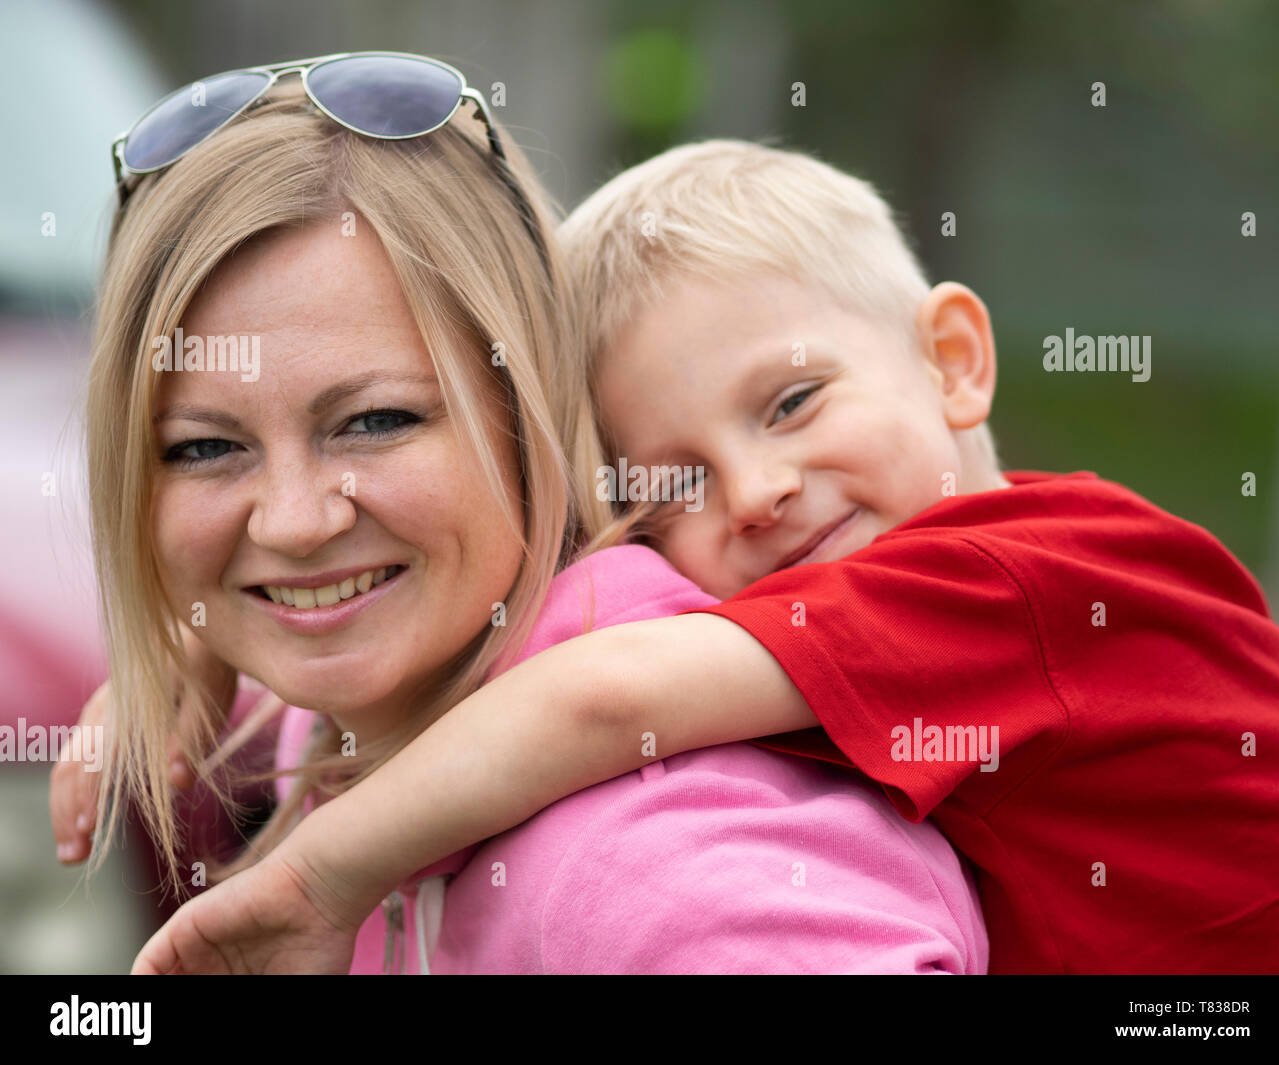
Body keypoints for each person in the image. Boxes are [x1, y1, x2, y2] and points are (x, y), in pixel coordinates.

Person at [130, 138, 1279, 975]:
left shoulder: (1005, 581)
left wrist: (317, 878)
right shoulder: (954, 596)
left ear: (952, 358)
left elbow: (601, 696)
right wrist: (177, 674)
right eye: (674, 480)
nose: (754, 493)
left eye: (791, 402)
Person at [59, 60, 987, 974]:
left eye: (376, 421)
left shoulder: (661, 852)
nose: (296, 524)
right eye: (204, 449)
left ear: (534, 409)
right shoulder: (375, 698)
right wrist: (187, 648)